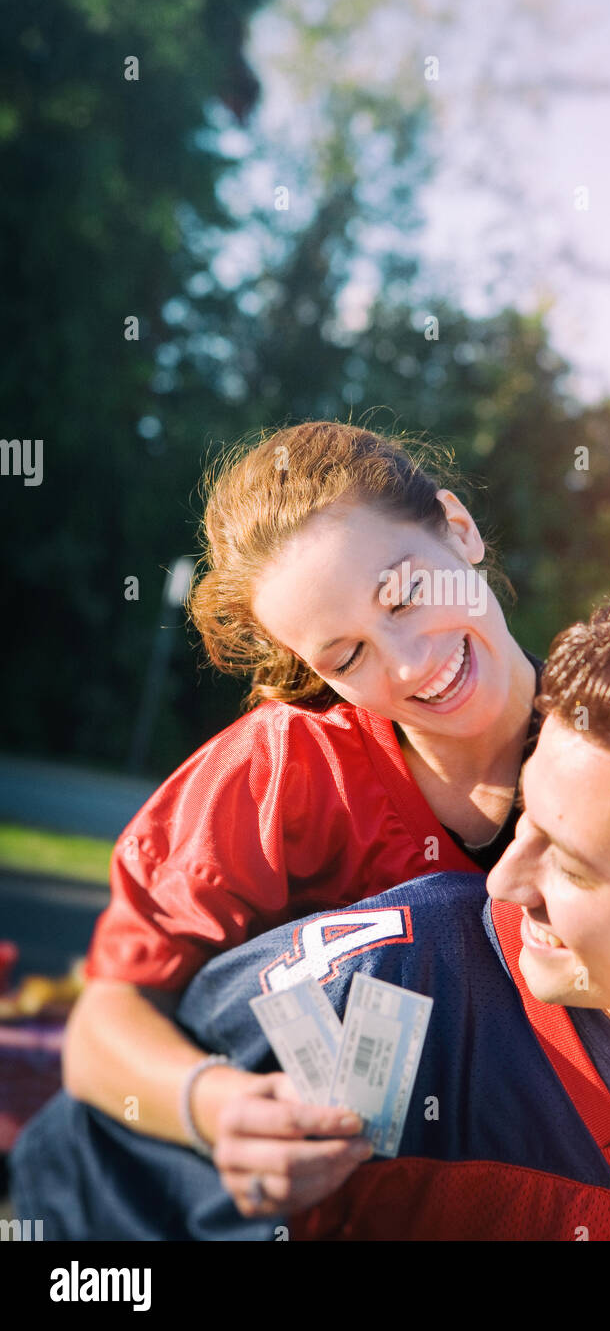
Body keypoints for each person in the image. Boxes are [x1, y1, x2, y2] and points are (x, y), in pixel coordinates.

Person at [13, 581, 610, 1240]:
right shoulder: (385, 984)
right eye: (524, 813)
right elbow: (83, 1189)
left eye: (568, 863)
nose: (501, 878)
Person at [55, 419, 542, 1212]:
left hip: (494, 1192)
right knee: (430, 932)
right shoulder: (281, 769)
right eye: (346, 657)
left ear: (459, 529)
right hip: (216, 1202)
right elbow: (103, 1024)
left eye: (407, 591)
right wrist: (218, 1110)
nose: (411, 662)